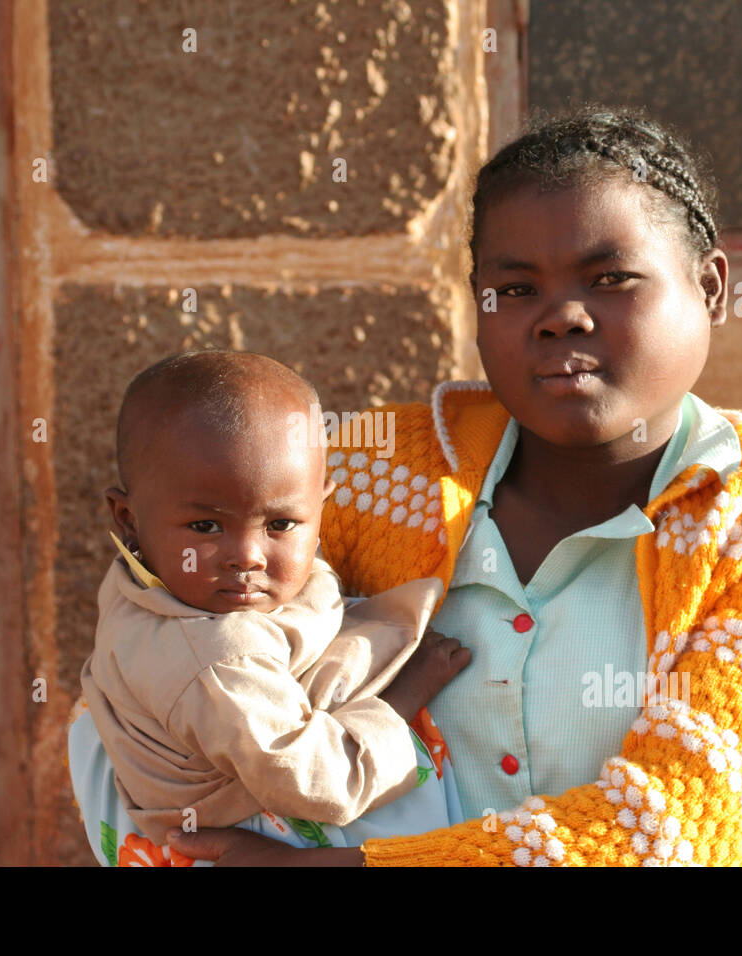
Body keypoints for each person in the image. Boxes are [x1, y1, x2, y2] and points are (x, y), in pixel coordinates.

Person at [72, 104, 742, 866]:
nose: (561, 316)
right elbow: (166, 663)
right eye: (518, 288)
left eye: (611, 279)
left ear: (710, 287)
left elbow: (686, 833)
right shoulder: (364, 475)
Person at [76, 350, 471, 865]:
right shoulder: (216, 656)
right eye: (205, 527)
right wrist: (405, 695)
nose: (248, 556)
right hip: (272, 834)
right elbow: (319, 782)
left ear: (321, 509)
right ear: (128, 520)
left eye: (281, 525)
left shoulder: (159, 584)